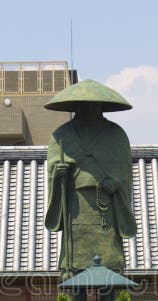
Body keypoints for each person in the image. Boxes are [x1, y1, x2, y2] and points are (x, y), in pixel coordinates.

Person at [44, 80, 137, 279]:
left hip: (107, 208)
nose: (89, 109)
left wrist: (116, 184)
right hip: (75, 207)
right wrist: (59, 173)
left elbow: (124, 172)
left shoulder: (115, 135)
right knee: (76, 260)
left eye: (93, 105)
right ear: (75, 107)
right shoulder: (62, 136)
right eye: (83, 105)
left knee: (109, 259)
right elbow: (52, 165)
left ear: (102, 106)